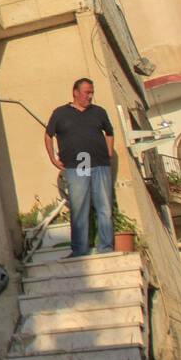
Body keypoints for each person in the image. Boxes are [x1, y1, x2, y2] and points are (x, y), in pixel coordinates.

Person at [44, 78, 115, 257]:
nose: (90, 96)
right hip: (77, 167)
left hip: (99, 165)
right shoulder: (60, 113)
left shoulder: (98, 112)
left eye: (92, 92)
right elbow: (48, 135)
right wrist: (52, 158)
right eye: (86, 92)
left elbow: (109, 132)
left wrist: (109, 152)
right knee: (79, 207)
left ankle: (106, 248)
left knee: (104, 207)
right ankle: (80, 250)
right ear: (75, 92)